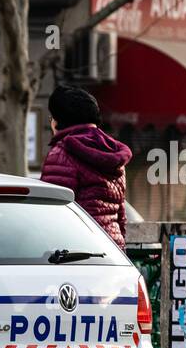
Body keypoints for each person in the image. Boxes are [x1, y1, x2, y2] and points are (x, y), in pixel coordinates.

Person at [40, 84, 132, 248]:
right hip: (113, 251)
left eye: (52, 117)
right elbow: (121, 217)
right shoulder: (113, 153)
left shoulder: (62, 153)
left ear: (59, 121)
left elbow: (51, 214)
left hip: (77, 251)